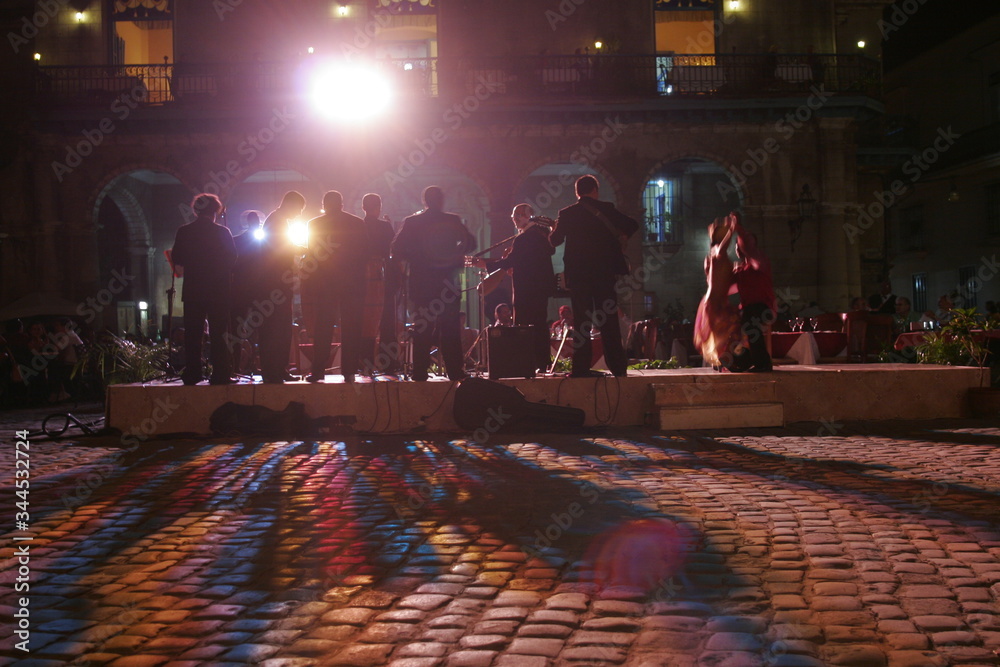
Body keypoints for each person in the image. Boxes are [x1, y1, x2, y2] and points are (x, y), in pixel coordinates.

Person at [549, 174, 638, 378]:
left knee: (582, 321)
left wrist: (555, 228)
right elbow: (632, 224)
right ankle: (618, 367)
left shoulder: (567, 213)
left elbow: (554, 241)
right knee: (608, 320)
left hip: (579, 276)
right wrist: (621, 238)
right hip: (604, 274)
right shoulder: (607, 209)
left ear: (577, 192)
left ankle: (580, 369)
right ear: (595, 191)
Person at [390, 185, 476, 382]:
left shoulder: (412, 222)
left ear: (424, 201)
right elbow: (471, 243)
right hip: (448, 283)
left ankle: (420, 371)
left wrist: (415, 256)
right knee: (450, 328)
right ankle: (455, 370)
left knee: (422, 328)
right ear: (441, 200)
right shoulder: (452, 220)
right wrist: (455, 253)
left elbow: (397, 249)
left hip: (422, 284)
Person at [473, 203, 556, 374]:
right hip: (540, 288)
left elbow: (511, 261)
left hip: (526, 289)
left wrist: (486, 265)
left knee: (523, 325)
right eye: (514, 215)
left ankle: (527, 362)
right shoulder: (541, 234)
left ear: (529, 216)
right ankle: (542, 362)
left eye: (519, 214)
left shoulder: (524, 238)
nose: (515, 218)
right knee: (539, 323)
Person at [170, 193, 237, 385]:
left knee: (193, 334)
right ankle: (221, 375)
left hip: (193, 290)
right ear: (215, 211)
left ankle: (193, 373)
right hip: (218, 291)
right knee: (219, 334)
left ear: (196, 210)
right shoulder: (222, 232)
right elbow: (232, 258)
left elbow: (177, 258)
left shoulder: (184, 231)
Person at [303, 191, 367, 383]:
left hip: (325, 284)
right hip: (352, 284)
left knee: (323, 327)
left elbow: (313, 255)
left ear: (324, 204)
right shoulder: (356, 223)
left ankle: (318, 371)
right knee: (352, 327)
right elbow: (364, 253)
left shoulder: (314, 224)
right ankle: (349, 371)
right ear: (342, 203)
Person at [254, 190, 305, 384]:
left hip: (273, 283)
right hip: (276, 284)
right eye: (299, 209)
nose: (299, 214)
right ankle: (275, 370)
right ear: (291, 204)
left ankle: (274, 369)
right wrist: (301, 250)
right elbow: (280, 249)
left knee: (276, 328)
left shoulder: (275, 220)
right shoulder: (278, 221)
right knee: (278, 327)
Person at [693, 215, 744, 370]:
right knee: (729, 331)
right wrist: (733, 228)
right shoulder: (718, 253)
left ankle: (724, 363)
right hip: (715, 302)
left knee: (723, 334)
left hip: (714, 301)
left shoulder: (711, 258)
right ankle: (726, 362)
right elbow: (722, 247)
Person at [729, 212, 775, 372]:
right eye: (738, 245)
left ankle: (763, 364)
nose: (740, 247)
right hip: (747, 309)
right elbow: (728, 289)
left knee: (750, 322)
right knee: (733, 326)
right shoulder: (740, 270)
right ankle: (742, 361)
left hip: (763, 307)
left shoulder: (760, 261)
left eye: (745, 244)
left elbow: (748, 248)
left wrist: (738, 229)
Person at [360, 193, 400, 374]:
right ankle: (388, 363)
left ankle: (365, 363)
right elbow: (394, 252)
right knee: (387, 323)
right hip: (384, 281)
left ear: (363, 207)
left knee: (365, 323)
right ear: (379, 206)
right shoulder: (385, 227)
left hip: (363, 282)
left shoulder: (357, 226)